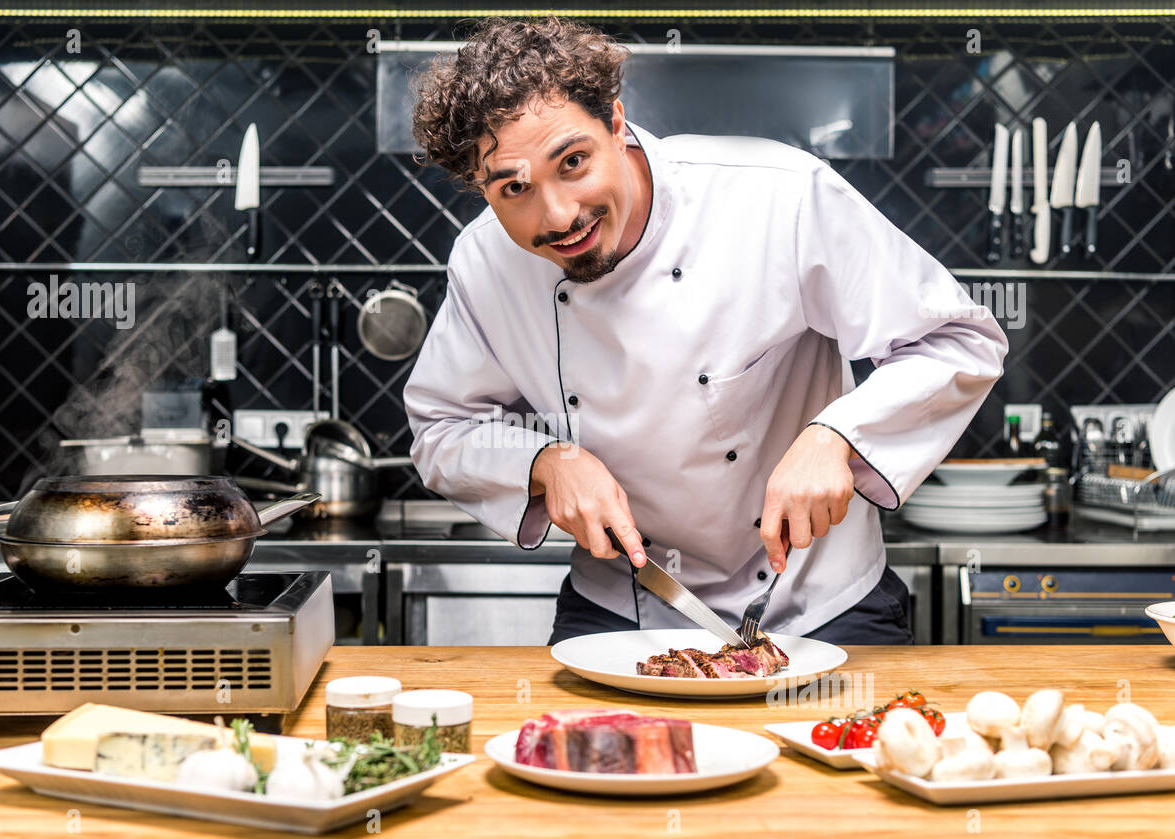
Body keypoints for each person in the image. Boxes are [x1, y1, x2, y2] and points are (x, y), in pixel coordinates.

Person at [402, 17, 1007, 645]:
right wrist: (544, 463)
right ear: (482, 186)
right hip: (624, 602)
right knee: (585, 748)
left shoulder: (777, 195)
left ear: (615, 123)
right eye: (514, 188)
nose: (558, 214)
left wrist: (839, 438)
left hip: (819, 597)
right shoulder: (485, 262)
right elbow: (442, 427)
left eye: (574, 162)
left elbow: (957, 340)